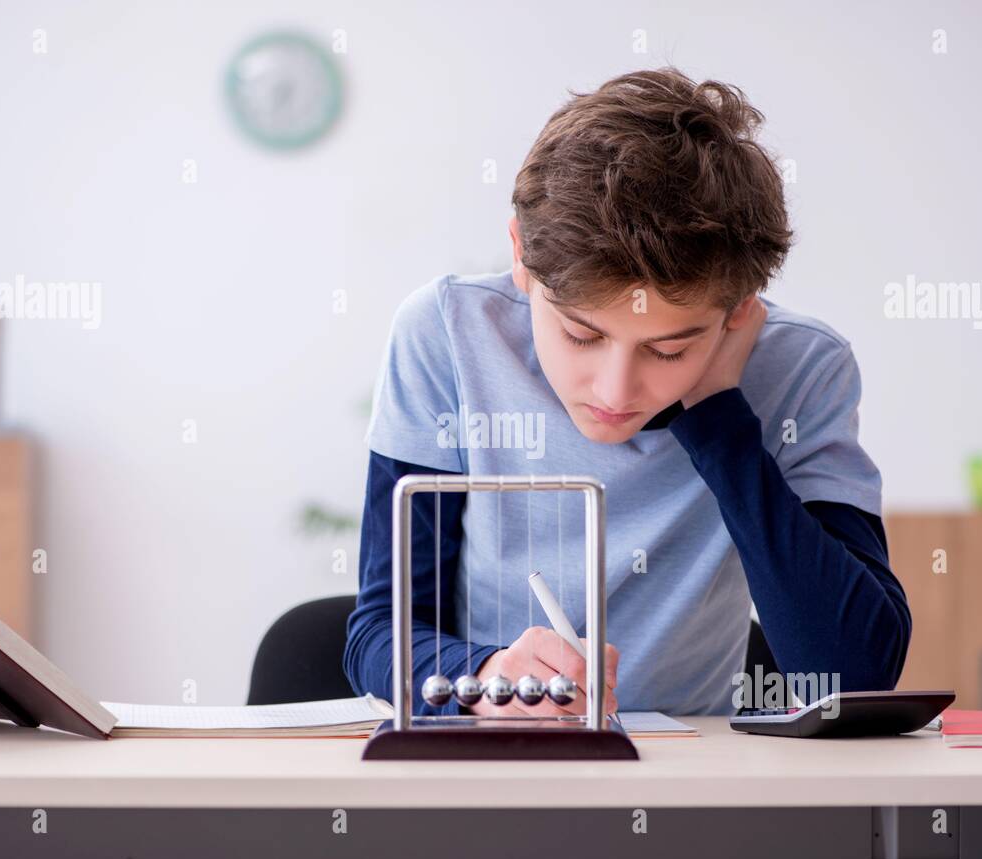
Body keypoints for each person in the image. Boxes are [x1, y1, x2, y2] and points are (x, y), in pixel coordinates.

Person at [344, 67, 911, 719]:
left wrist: (719, 416)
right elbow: (377, 633)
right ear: (521, 259)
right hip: (496, 768)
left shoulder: (801, 366)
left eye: (669, 349)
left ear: (737, 313)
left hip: (695, 779)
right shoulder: (447, 333)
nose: (615, 391)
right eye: (582, 334)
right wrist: (486, 675)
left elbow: (850, 678)